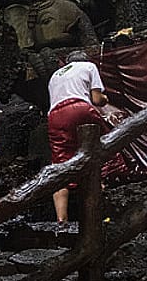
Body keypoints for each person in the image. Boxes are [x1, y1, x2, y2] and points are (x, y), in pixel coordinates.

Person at [46, 51, 129, 223]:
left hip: (55, 116)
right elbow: (97, 99)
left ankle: (61, 220)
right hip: (80, 108)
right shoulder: (89, 66)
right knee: (103, 146)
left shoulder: (55, 75)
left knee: (61, 164)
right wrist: (106, 99)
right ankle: (101, 188)